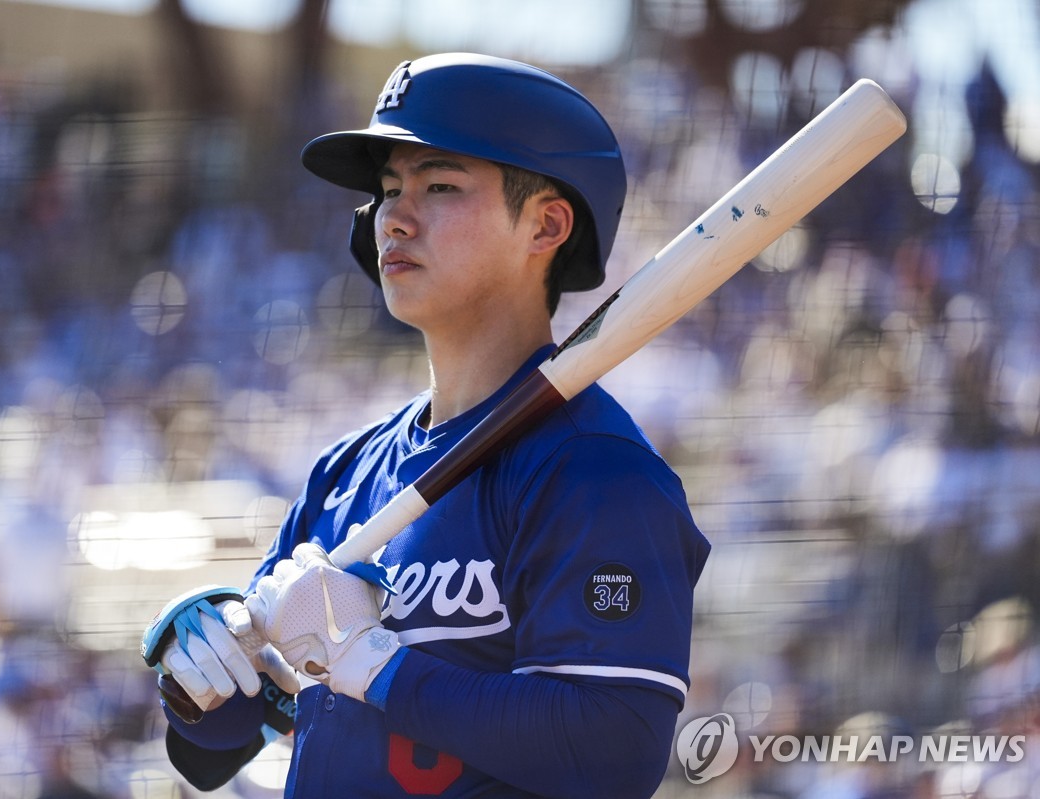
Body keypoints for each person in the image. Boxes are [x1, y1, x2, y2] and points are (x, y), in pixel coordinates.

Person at [142, 52, 711, 798]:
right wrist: (205, 673)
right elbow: (232, 741)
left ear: (546, 223)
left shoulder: (595, 470)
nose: (395, 217)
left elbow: (610, 749)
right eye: (387, 190)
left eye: (440, 185)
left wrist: (376, 665)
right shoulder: (347, 471)